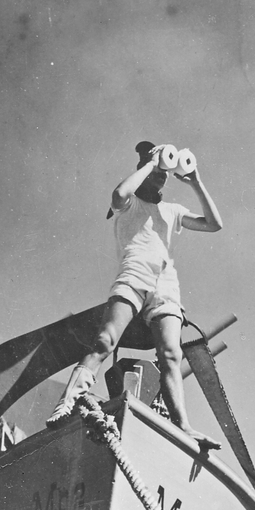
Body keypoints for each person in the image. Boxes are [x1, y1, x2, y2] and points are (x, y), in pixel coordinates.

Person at [46, 141, 223, 450]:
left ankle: (184, 427)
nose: (162, 175)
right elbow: (118, 195)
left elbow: (214, 224)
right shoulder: (128, 205)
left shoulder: (171, 211)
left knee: (171, 355)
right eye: (156, 169)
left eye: (164, 171)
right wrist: (150, 164)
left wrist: (195, 181)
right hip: (134, 274)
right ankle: (68, 401)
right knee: (105, 340)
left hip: (165, 283)